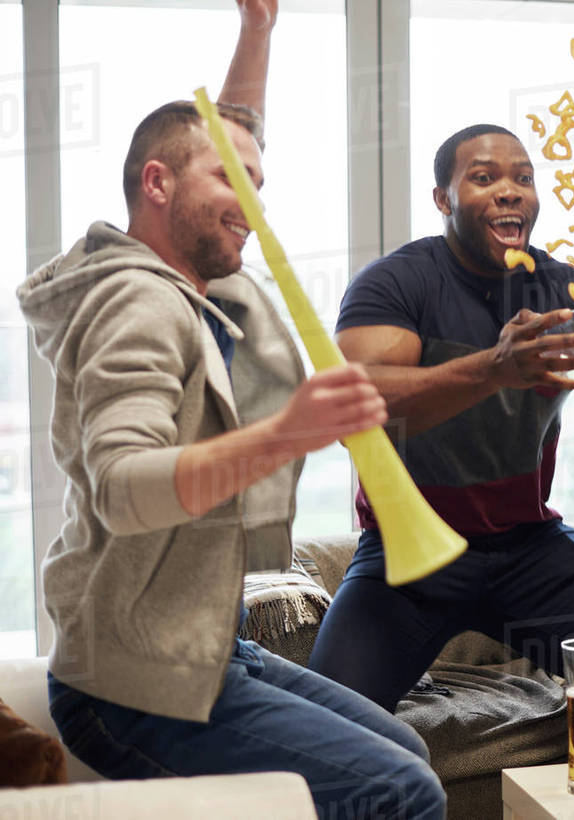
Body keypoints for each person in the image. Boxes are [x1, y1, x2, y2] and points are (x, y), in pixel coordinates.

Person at [16, 4, 445, 817]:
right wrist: (284, 434)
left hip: (210, 650)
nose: (251, 203)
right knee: (400, 791)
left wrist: (259, 32)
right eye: (230, 183)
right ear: (157, 185)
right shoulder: (136, 305)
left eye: (258, 184)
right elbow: (121, 486)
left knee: (408, 753)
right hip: (129, 688)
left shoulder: (187, 286)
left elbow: (224, 134)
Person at [307, 122, 574, 757]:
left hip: (529, 551)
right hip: (409, 557)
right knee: (323, 740)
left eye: (523, 178)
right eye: (484, 178)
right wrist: (495, 368)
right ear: (443, 198)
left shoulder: (572, 293)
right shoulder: (397, 285)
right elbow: (359, 407)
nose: (510, 192)